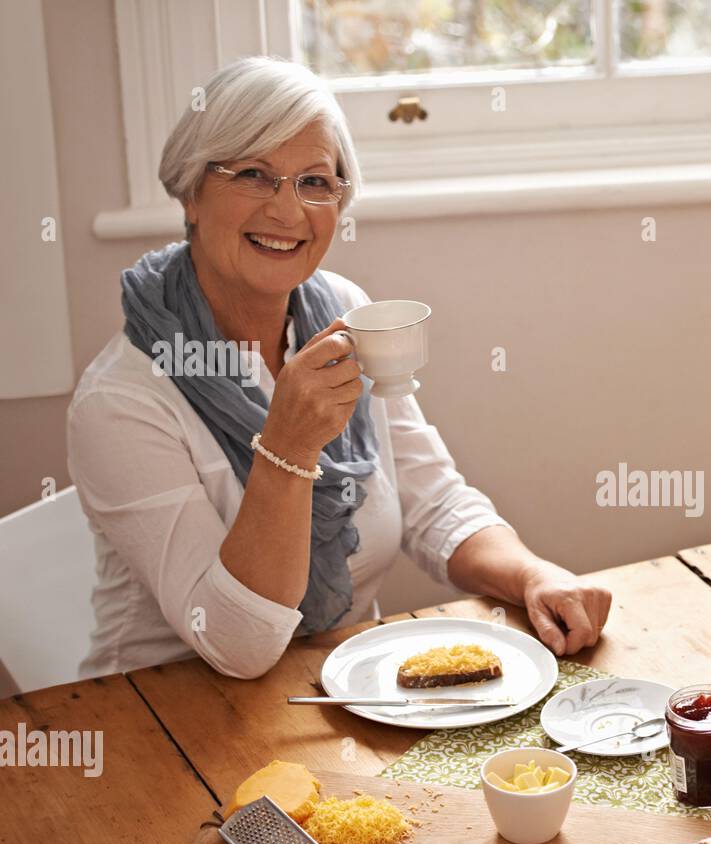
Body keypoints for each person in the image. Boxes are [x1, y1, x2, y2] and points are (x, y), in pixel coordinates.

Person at [68, 57, 610, 680]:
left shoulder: (344, 312)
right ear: (191, 192)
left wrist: (532, 573)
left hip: (331, 685)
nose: (289, 212)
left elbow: (430, 500)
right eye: (252, 174)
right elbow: (234, 645)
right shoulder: (121, 401)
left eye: (315, 182)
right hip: (159, 717)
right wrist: (286, 448)